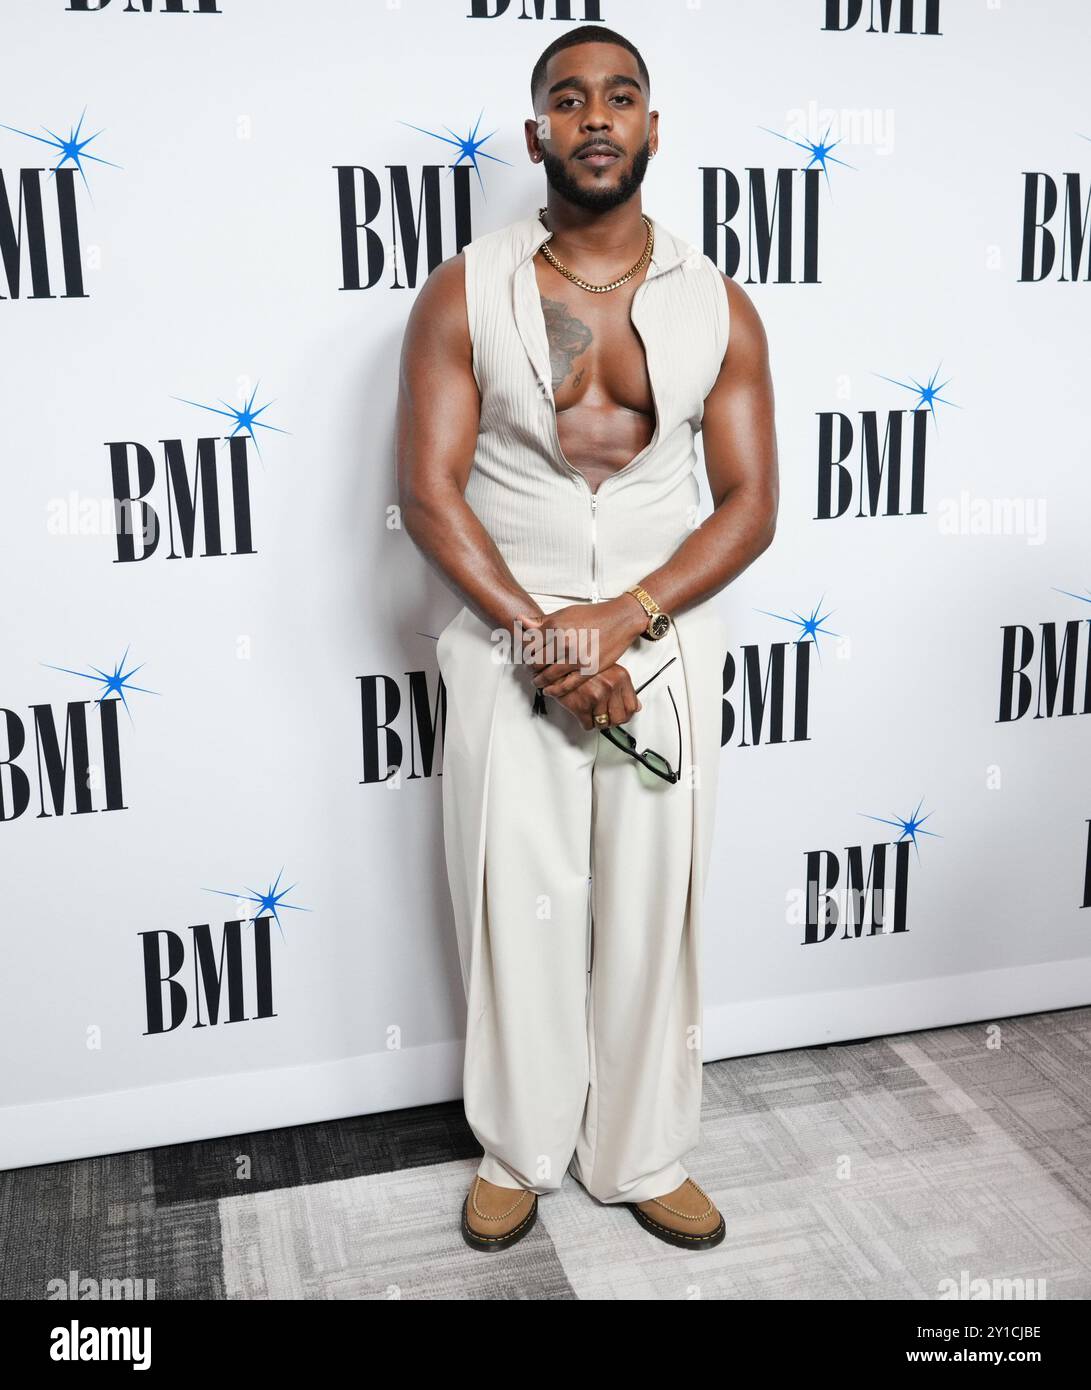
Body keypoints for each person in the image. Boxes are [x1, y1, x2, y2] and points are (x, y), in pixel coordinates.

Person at [396, 22, 778, 1253]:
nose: (595, 117)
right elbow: (429, 493)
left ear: (652, 127)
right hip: (509, 643)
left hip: (659, 641)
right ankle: (518, 1147)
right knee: (518, 903)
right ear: (536, 134)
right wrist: (549, 642)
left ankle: (642, 1150)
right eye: (569, 100)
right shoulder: (465, 289)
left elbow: (752, 503)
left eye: (620, 97)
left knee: (651, 903)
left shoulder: (720, 304)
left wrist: (620, 622)